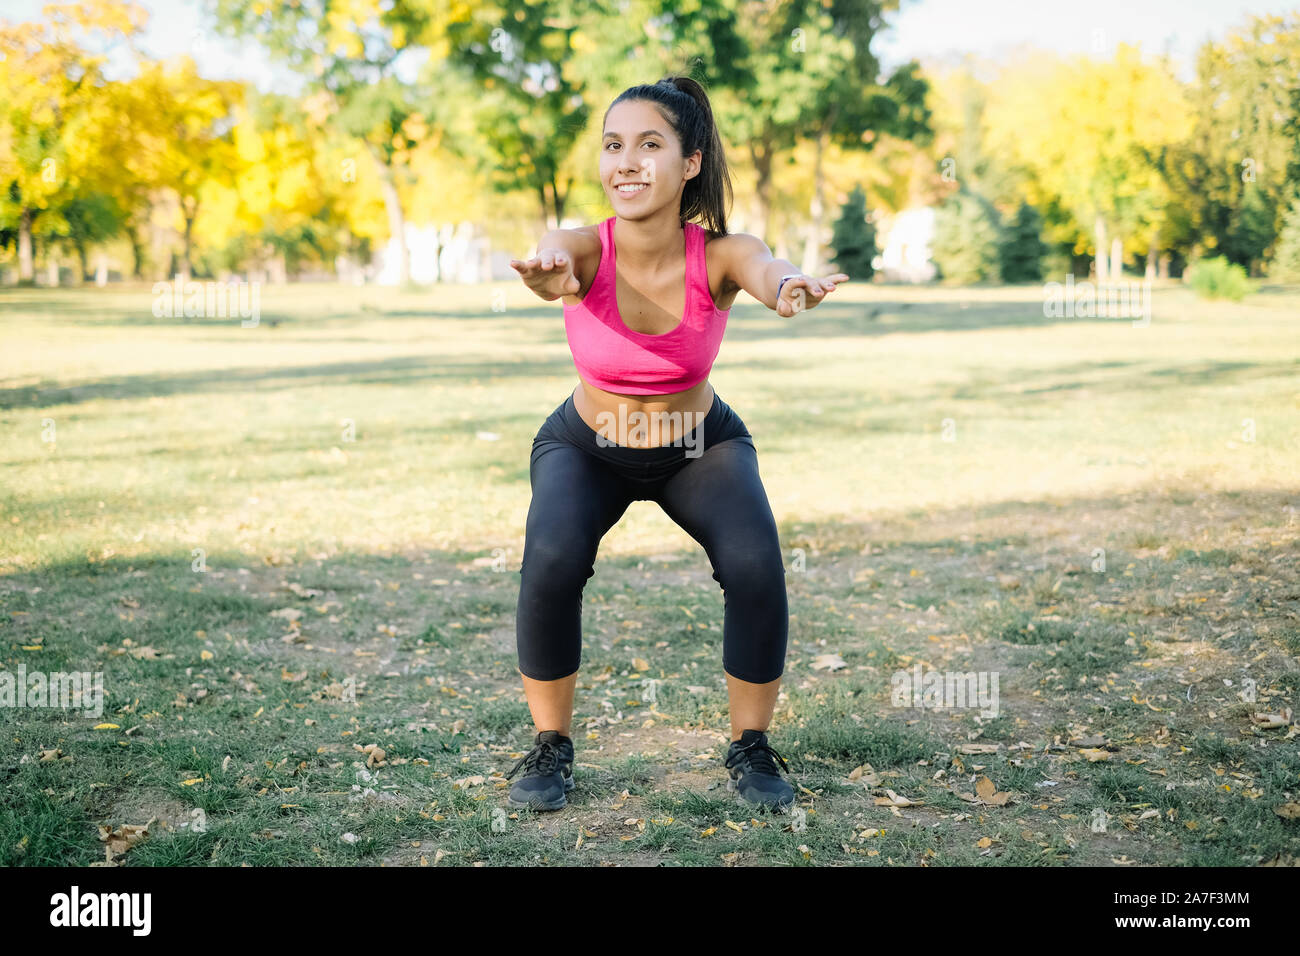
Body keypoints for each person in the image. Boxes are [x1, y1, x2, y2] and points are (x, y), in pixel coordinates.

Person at [506, 74, 848, 814]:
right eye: (613, 145)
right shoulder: (579, 247)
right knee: (554, 556)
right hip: (587, 444)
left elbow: (766, 269)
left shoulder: (720, 254)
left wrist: (789, 287)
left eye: (649, 145)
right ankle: (550, 745)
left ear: (690, 162)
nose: (626, 162)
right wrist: (548, 277)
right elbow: (552, 259)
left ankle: (751, 745)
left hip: (697, 443)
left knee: (756, 563)